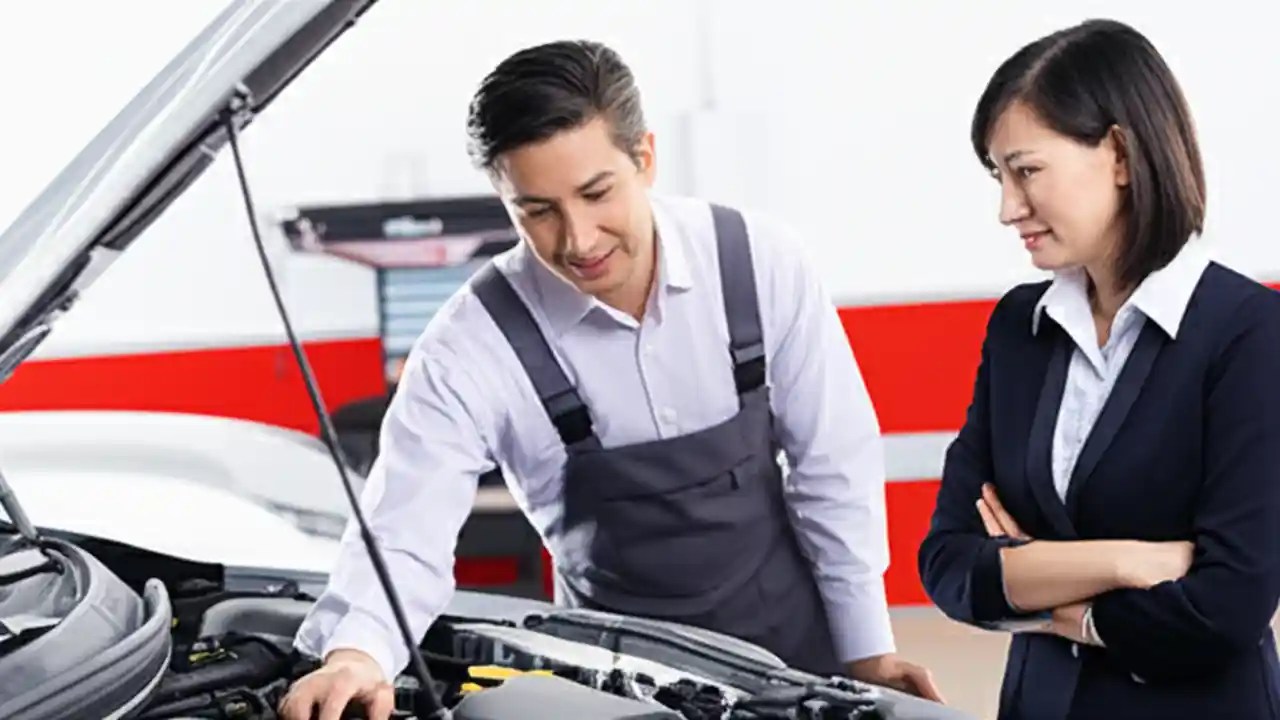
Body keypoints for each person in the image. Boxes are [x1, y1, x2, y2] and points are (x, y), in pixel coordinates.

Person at [279, 39, 941, 719]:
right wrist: (358, 653)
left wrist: (867, 651)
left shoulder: (758, 263)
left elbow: (833, 464)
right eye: (536, 210)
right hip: (614, 687)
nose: (579, 239)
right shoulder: (470, 345)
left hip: (796, 665)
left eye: (597, 194)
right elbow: (403, 527)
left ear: (645, 158)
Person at [917, 18, 1280, 720]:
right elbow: (950, 565)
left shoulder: (1247, 332)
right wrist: (1129, 562)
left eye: (1026, 171)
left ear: (1118, 153)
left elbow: (1228, 603)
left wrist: (1047, 589)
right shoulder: (1020, 329)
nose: (1006, 208)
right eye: (999, 176)